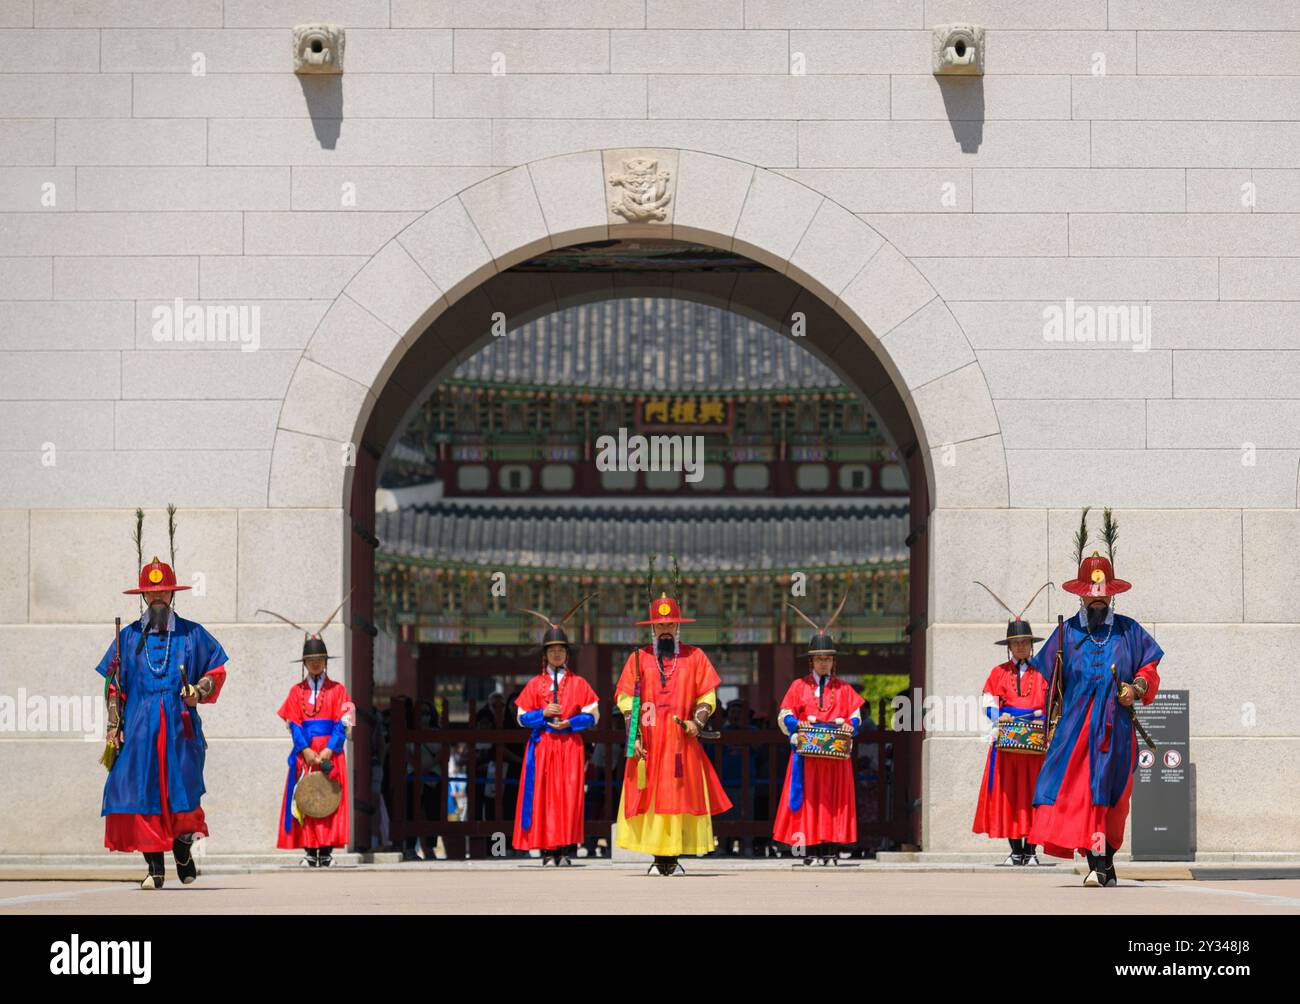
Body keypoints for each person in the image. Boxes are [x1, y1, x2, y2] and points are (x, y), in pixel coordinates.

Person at [97, 509, 230, 890]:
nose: (156, 596)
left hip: (179, 730)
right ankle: (154, 869)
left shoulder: (191, 634)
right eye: (149, 592)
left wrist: (198, 691)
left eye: (162, 591)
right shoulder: (126, 639)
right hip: (138, 729)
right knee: (141, 796)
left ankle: (183, 848)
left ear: (172, 593)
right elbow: (113, 684)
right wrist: (112, 726)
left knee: (183, 795)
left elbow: (216, 670)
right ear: (143, 596)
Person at [1029, 510, 1162, 887]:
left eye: (1102, 597)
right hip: (1076, 730)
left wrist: (1135, 688)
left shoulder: (1129, 631)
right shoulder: (1066, 633)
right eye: (1090, 597)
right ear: (1081, 597)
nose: (1096, 603)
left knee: (1115, 798)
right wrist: (1038, 722)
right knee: (1082, 795)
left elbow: (1150, 668)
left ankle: (1108, 859)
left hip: (1117, 728)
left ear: (1112, 596)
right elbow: (1046, 683)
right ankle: (1096, 863)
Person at [615, 593, 732, 876]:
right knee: (652, 798)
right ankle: (659, 858)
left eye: (670, 625)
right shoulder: (638, 659)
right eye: (660, 625)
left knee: (679, 796)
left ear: (678, 627)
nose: (665, 630)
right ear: (652, 628)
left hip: (681, 740)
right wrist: (636, 736)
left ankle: (674, 857)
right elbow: (625, 699)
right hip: (651, 741)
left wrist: (697, 722)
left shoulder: (695, 657)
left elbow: (707, 695)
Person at [261, 599, 355, 868]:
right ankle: (308, 851)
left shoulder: (339, 690)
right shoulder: (295, 691)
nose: (315, 664)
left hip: (330, 754)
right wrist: (305, 750)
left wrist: (329, 750)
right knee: (305, 798)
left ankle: (326, 851)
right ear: (304, 663)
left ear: (326, 662)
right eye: (310, 660)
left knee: (328, 798)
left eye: (319, 660)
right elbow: (294, 723)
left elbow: (344, 722)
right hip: (306, 754)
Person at [772, 598, 865, 865]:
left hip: (835, 756)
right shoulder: (798, 686)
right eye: (819, 659)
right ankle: (809, 850)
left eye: (827, 659)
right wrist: (797, 726)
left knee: (833, 801)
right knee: (810, 801)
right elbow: (785, 715)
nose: (823, 663)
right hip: (808, 755)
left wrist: (851, 726)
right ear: (811, 661)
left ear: (833, 661)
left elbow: (856, 717)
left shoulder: (844, 689)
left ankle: (831, 850)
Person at [513, 596, 599, 865]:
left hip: (569, 746)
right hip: (543, 747)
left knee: (567, 797)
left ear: (567, 653)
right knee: (543, 797)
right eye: (552, 650)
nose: (557, 654)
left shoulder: (579, 683)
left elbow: (593, 715)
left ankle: (563, 849)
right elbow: (521, 718)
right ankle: (548, 851)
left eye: (561, 650)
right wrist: (543, 714)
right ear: (545, 654)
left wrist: (570, 723)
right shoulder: (534, 684)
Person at [971, 605, 1050, 866]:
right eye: (1015, 643)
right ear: (1009, 646)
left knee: (1034, 796)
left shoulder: (1044, 673)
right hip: (1006, 743)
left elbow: (1054, 703)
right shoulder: (998, 673)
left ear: (1031, 644)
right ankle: (1015, 850)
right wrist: (997, 716)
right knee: (1010, 797)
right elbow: (988, 702)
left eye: (1024, 642)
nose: (1020, 647)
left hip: (1036, 746)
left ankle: (1032, 851)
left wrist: (1048, 721)